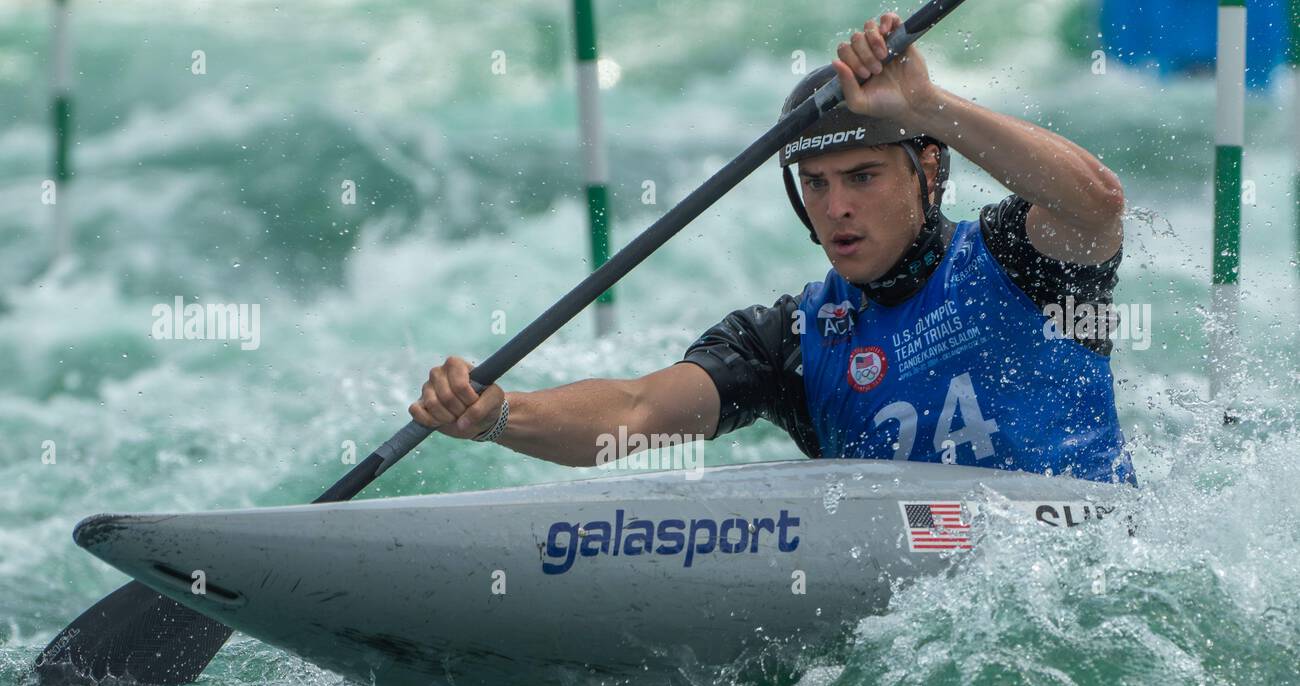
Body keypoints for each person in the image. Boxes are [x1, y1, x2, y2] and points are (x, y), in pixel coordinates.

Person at [410, 13, 1137, 486]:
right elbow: (634, 410)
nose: (837, 207)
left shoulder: (1017, 261)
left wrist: (926, 108)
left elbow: (1096, 203)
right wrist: (500, 415)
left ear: (930, 169)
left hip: (1080, 575)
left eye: (862, 177)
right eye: (815, 185)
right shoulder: (793, 341)